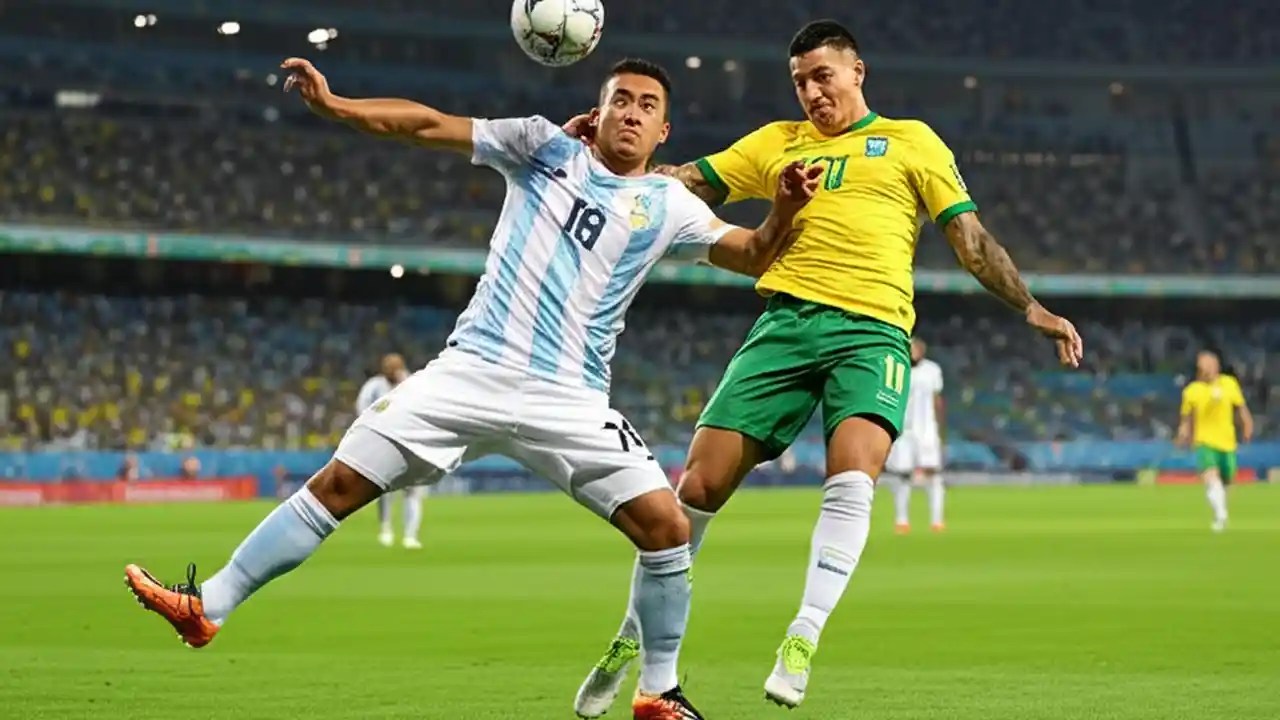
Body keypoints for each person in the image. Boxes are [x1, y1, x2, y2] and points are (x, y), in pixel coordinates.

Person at [123, 56, 821, 720]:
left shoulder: (667, 204)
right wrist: (337, 106)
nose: (632, 115)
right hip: (468, 373)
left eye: (648, 107)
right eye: (621, 101)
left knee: (668, 529)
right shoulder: (542, 146)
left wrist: (784, 208)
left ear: (665, 130)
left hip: (570, 397)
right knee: (336, 484)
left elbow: (755, 254)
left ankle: (658, 692)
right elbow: (427, 123)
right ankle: (208, 605)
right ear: (597, 110)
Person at [570, 20, 1084, 713]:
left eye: (823, 77)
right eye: (800, 82)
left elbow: (968, 238)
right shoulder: (777, 143)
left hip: (872, 332)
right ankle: (635, 639)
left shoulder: (911, 141)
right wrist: (606, 158)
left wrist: (1030, 307)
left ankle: (802, 639)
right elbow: (686, 183)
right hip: (784, 325)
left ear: (857, 72)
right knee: (695, 487)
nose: (812, 92)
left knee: (853, 474)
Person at [1176, 350, 1253, 532]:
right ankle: (1221, 516)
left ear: (1216, 366)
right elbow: (1186, 419)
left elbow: (1241, 407)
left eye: (1209, 366)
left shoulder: (1229, 384)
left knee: (1227, 481)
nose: (1206, 370)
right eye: (1203, 367)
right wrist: (1182, 433)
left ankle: (1221, 510)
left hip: (1227, 442)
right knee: (1211, 477)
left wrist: (1248, 423)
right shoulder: (1192, 391)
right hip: (1204, 442)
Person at [356, 353, 425, 549]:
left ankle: (410, 535)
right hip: (384, 441)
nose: (393, 372)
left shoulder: (411, 383)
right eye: (390, 368)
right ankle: (386, 528)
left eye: (396, 368)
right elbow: (362, 408)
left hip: (411, 442)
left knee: (413, 490)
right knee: (386, 489)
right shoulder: (374, 386)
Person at [884, 337, 946, 533]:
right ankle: (902, 520)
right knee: (902, 475)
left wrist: (940, 429)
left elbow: (937, 400)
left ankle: (937, 520)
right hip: (903, 430)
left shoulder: (932, 370)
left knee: (933, 474)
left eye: (916, 348)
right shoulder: (896, 368)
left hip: (927, 429)